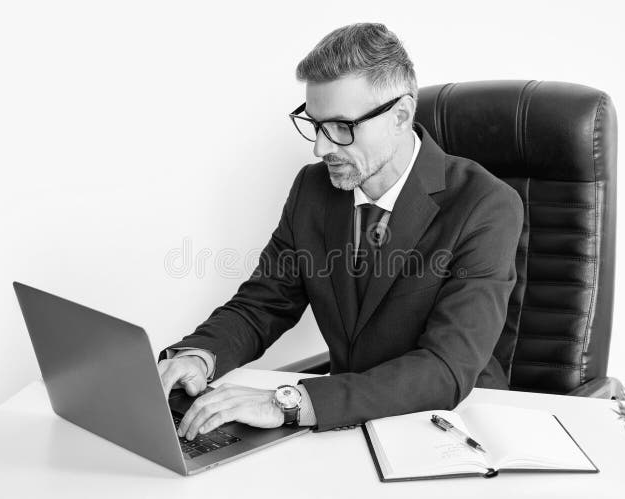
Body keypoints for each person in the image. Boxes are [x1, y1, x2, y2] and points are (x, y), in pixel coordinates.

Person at [157, 23, 524, 441]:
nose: (321, 147)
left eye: (341, 128)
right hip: (345, 428)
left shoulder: (485, 205)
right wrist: (200, 355)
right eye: (315, 124)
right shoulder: (313, 190)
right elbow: (264, 302)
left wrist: (288, 402)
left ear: (401, 115)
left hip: (453, 430)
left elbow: (445, 368)